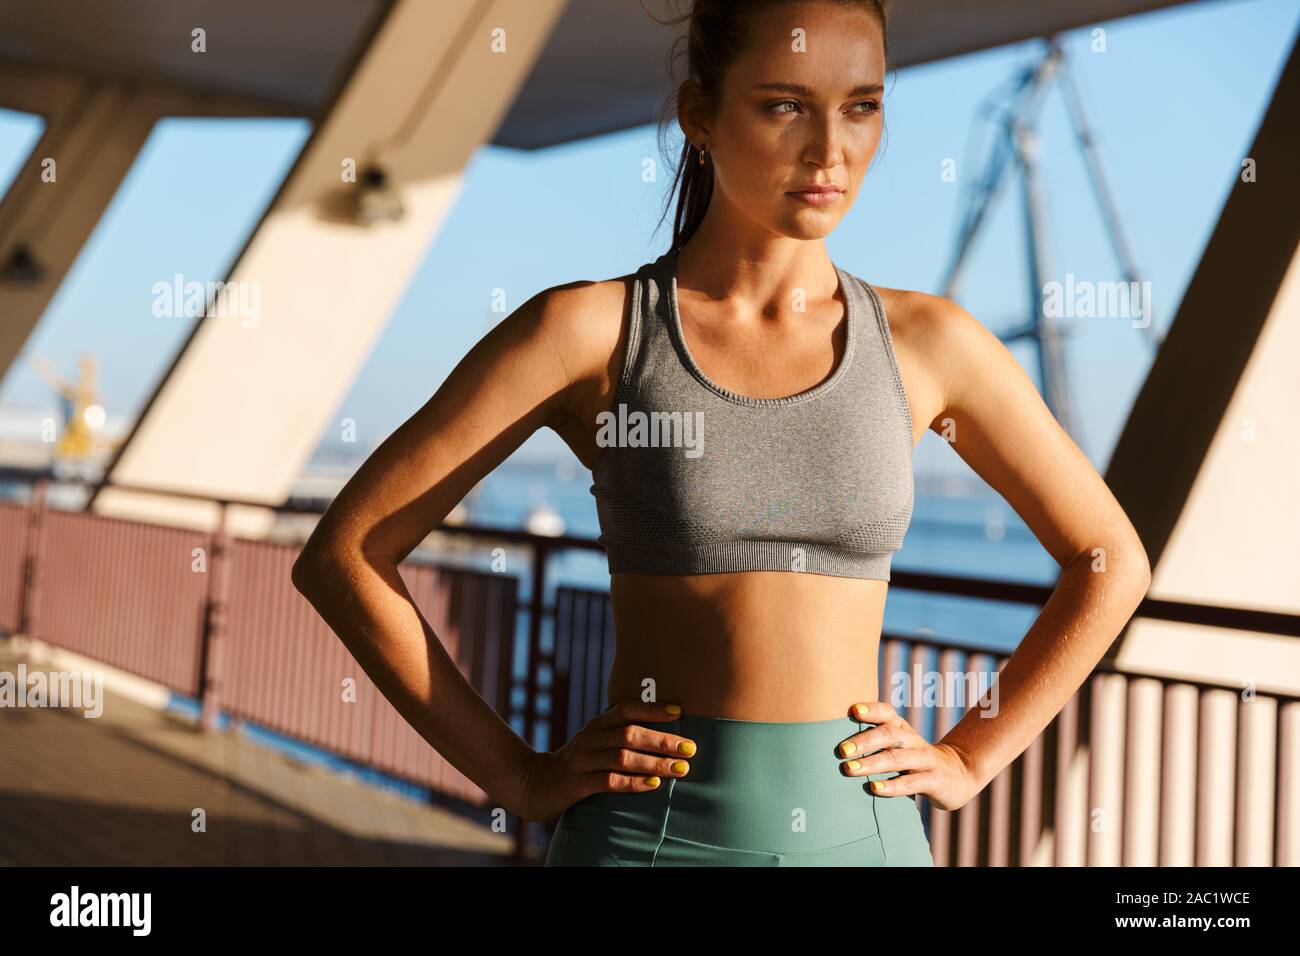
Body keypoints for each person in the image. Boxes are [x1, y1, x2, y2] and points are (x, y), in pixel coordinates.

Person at [292, 0, 1151, 867]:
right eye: (783, 105)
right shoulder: (589, 332)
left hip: (863, 842)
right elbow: (348, 552)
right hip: (642, 843)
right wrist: (518, 777)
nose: (829, 150)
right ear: (700, 114)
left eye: (861, 105)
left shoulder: (933, 346)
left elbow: (1109, 560)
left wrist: (969, 755)